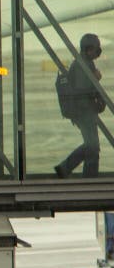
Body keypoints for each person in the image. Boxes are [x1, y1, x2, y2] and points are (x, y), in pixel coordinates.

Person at [55, 33, 104, 178]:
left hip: (85, 112)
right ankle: (68, 169)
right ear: (89, 49)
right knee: (92, 146)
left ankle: (87, 176)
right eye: (96, 48)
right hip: (83, 112)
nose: (98, 51)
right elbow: (82, 91)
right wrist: (95, 79)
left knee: (92, 147)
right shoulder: (82, 64)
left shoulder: (85, 63)